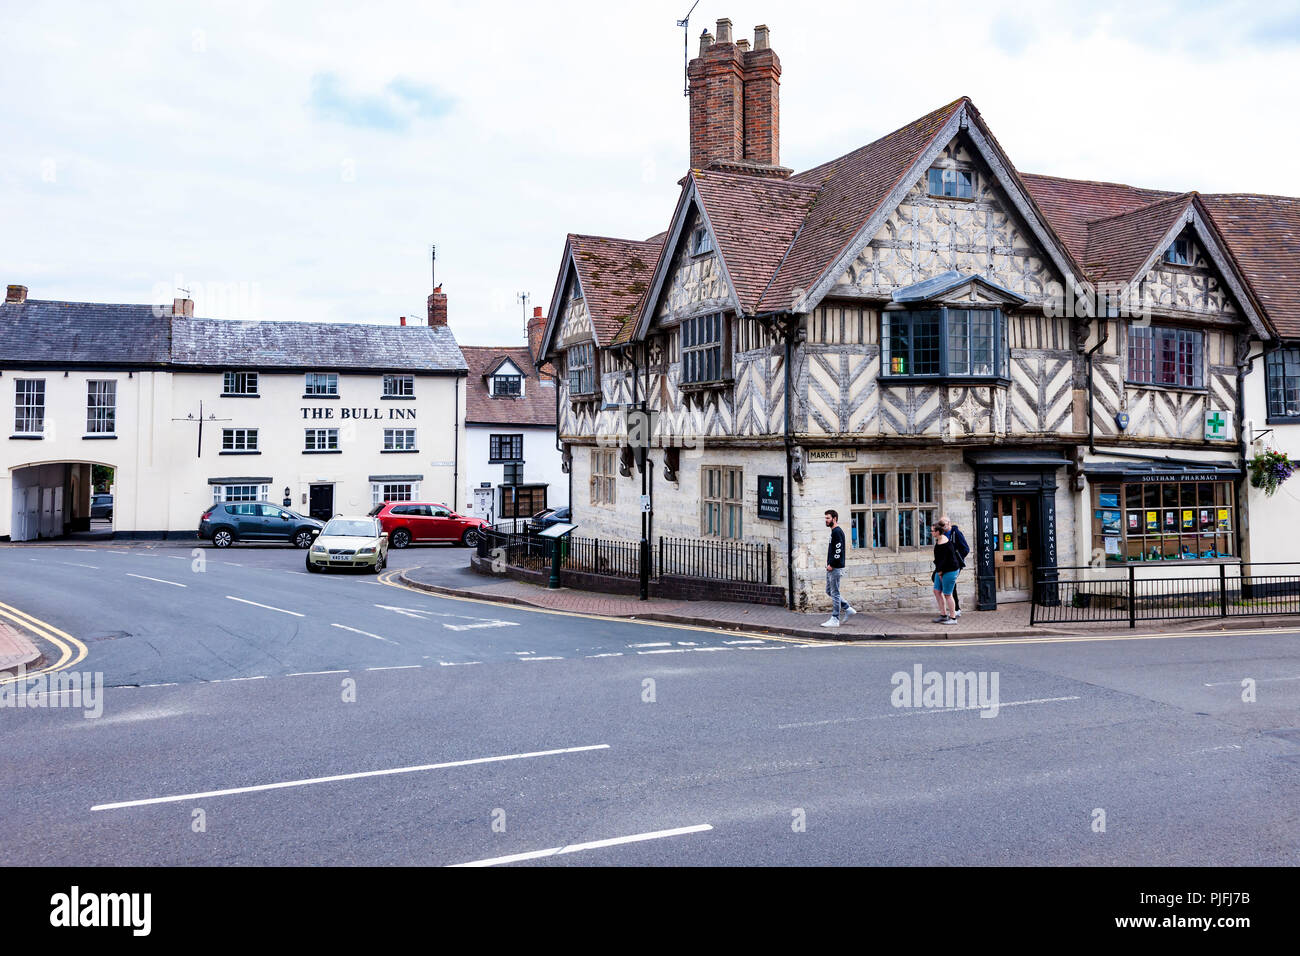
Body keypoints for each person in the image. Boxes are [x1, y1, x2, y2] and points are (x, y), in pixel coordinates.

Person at [821, 509, 856, 628]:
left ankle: (835, 618)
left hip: (834, 568)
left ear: (834, 518)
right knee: (829, 591)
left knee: (835, 593)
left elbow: (838, 550)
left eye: (828, 518)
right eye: (825, 518)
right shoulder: (833, 531)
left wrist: (832, 564)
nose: (826, 520)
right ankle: (847, 608)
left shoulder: (837, 532)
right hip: (831, 567)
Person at [939, 514, 969, 618]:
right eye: (940, 524)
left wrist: (956, 559)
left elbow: (966, 549)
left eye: (943, 524)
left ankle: (956, 609)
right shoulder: (942, 534)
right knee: (940, 582)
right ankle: (954, 609)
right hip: (945, 564)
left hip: (955, 564)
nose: (941, 526)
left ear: (948, 523)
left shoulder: (956, 533)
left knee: (951, 585)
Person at [931, 521, 961, 625]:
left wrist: (939, 573)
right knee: (936, 591)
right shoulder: (939, 540)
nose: (931, 532)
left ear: (938, 532)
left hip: (950, 571)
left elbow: (943, 560)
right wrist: (939, 572)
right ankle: (943, 615)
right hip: (941, 570)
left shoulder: (944, 543)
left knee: (948, 594)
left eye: (933, 531)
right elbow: (938, 560)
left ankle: (953, 618)